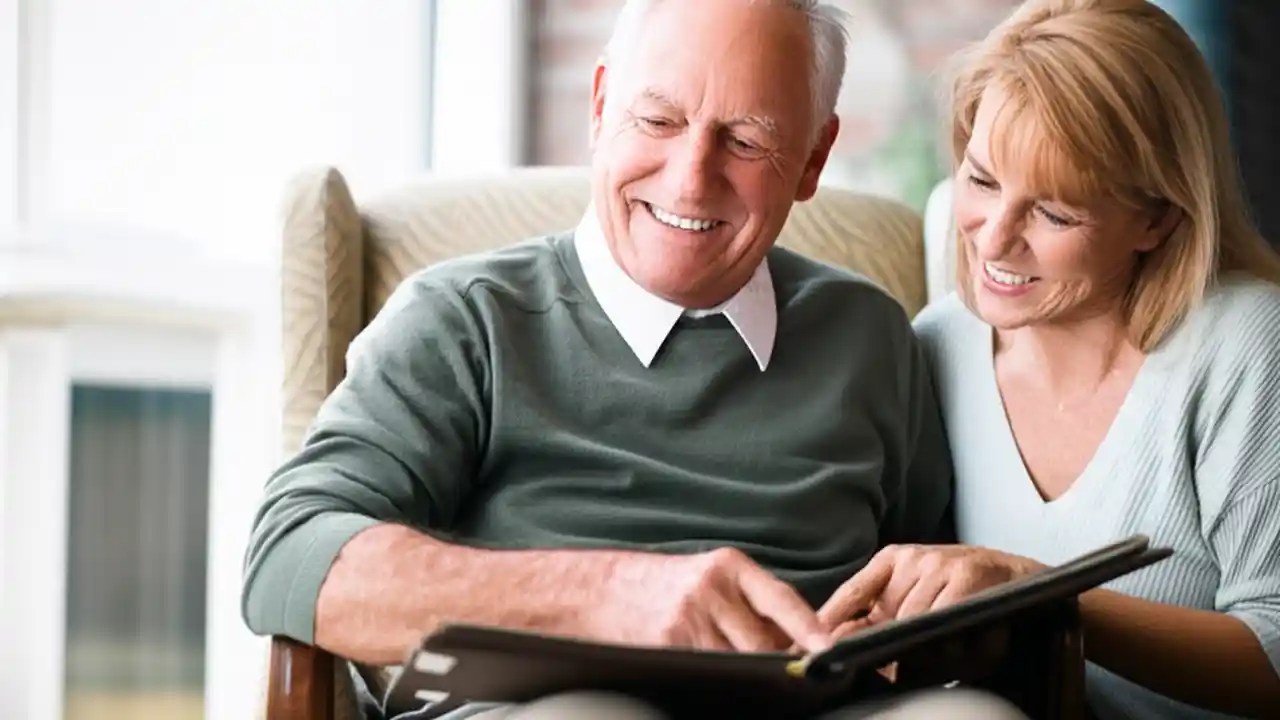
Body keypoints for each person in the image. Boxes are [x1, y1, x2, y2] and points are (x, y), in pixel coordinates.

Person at [242, 1, 1026, 718]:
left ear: (815, 158)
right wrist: (607, 594)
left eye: (748, 141)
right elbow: (288, 555)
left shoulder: (870, 335)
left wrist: (965, 598)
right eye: (657, 120)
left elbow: (931, 597)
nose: (690, 179)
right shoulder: (463, 321)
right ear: (599, 106)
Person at [819, 0, 1280, 718]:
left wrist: (1038, 595)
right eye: (981, 180)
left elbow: (1274, 657)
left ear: (1156, 218)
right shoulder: (937, 343)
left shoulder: (1245, 344)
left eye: (1055, 213)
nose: (994, 240)